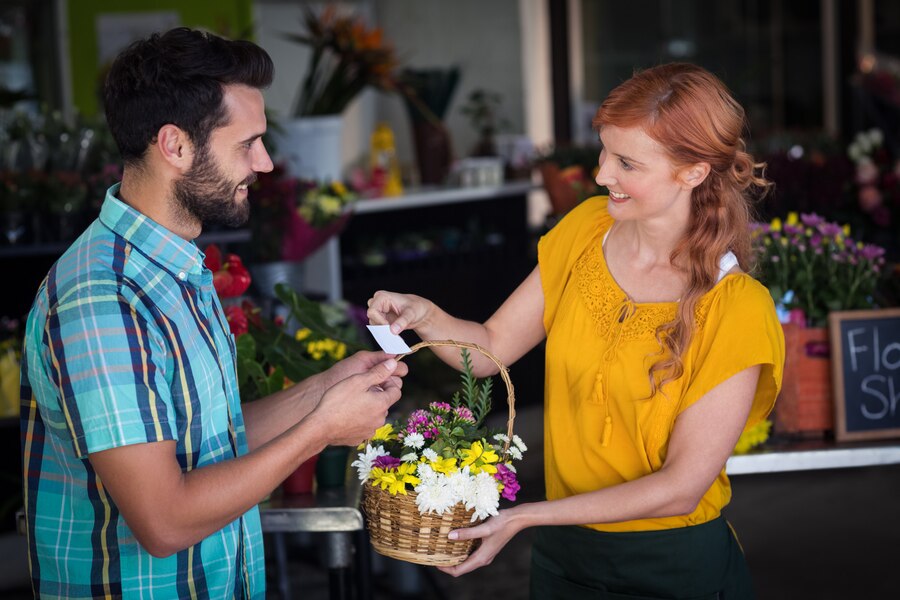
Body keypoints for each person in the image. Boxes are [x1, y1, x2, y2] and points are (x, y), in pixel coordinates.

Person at [368, 63, 784, 599]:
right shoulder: (587, 229)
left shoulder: (738, 307)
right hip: (564, 558)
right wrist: (425, 314)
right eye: (604, 151)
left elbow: (681, 489)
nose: (601, 174)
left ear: (693, 172)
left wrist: (529, 516)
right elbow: (491, 349)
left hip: (674, 567)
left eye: (627, 162)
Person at [20, 28, 406, 599]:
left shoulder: (174, 270)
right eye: (248, 143)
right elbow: (165, 521)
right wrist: (322, 430)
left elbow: (208, 443)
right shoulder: (104, 298)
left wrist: (325, 388)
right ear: (175, 146)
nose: (266, 163)